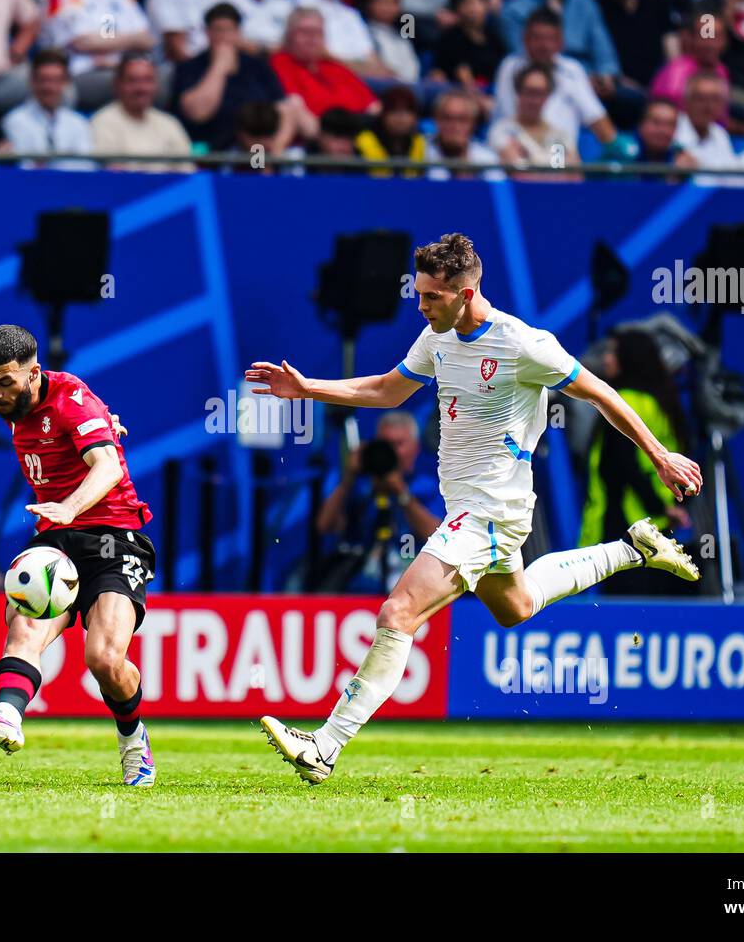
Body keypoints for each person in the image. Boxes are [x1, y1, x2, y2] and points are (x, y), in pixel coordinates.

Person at [248, 233, 702, 784]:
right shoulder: (436, 337)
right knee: (518, 607)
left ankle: (326, 744)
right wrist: (307, 389)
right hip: (468, 508)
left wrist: (659, 456)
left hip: (492, 511)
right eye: (418, 295)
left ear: (466, 293)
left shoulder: (524, 344)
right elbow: (389, 391)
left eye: (432, 297)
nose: (421, 306)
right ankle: (631, 549)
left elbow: (601, 393)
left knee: (397, 614)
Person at [0, 324, 158, 787]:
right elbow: (89, 428)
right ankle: (6, 716)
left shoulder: (70, 398)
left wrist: (69, 505)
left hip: (113, 539)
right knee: (23, 627)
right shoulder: (19, 405)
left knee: (104, 660)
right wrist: (107, 421)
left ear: (34, 374)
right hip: (56, 540)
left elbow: (106, 466)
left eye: (5, 382)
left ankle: (133, 741)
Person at [578, 329, 692, 596]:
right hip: (660, 525)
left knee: (623, 611)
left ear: (629, 358)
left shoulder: (625, 402)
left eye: (612, 352)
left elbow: (621, 467)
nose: (605, 359)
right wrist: (670, 507)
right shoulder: (661, 402)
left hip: (627, 525)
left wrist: (656, 504)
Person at [315, 412, 443, 593]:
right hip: (358, 587)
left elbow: (436, 534)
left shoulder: (428, 485)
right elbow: (325, 526)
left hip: (413, 585)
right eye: (385, 444)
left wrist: (401, 492)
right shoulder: (359, 484)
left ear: (415, 448)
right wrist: (349, 478)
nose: (392, 452)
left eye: (398, 444)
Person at [172, 1, 290, 150]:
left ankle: (269, 165)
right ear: (207, 33)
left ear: (238, 32)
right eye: (218, 30)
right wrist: (219, 67)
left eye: (229, 30)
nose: (223, 36)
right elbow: (198, 113)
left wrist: (271, 144)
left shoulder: (256, 66)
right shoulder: (190, 67)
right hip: (209, 149)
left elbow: (282, 107)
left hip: (255, 146)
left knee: (290, 108)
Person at [491, 7, 617, 147]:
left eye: (550, 38)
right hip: (518, 145)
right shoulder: (510, 67)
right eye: (537, 38)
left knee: (560, 161)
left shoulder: (572, 71)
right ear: (525, 38)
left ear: (561, 41)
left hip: (557, 147)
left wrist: (617, 153)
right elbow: (505, 115)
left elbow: (596, 117)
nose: (544, 45)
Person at [42, 0, 154, 111]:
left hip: (122, 69)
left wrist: (106, 48)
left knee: (149, 82)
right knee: (133, 85)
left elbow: (147, 39)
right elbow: (81, 42)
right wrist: (131, 40)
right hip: (83, 73)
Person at [90, 52, 194, 171]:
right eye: (132, 80)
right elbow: (113, 174)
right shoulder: (103, 121)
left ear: (156, 85)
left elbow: (187, 171)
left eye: (147, 80)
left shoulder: (170, 123)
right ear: (117, 84)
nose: (141, 88)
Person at [269, 7, 378, 117]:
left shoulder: (334, 66)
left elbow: (373, 105)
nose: (312, 38)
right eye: (304, 32)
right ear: (289, 36)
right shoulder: (281, 62)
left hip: (359, 127)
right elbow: (297, 105)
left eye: (318, 32)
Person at [0, 49, 93, 165]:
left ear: (66, 82)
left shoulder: (79, 123)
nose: (50, 87)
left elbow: (86, 167)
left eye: (56, 80)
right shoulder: (14, 121)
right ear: (32, 81)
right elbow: (23, 167)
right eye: (44, 80)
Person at [488, 61, 579, 171]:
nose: (534, 100)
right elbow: (521, 174)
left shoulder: (557, 138)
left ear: (547, 96)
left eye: (540, 93)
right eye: (530, 92)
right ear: (518, 92)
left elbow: (567, 175)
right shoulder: (504, 131)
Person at [432, 0, 506, 112]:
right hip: (463, 96)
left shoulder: (495, 37)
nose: (473, 7)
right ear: (457, 8)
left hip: (493, 93)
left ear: (487, 4)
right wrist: (482, 100)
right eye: (466, 2)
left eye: (478, 0)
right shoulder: (451, 38)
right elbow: (463, 76)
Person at [424, 88, 500, 179]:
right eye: (447, 118)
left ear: (473, 123)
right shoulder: (422, 154)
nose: (454, 126)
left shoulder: (488, 160)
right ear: (436, 120)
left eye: (462, 119)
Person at [354, 83, 427, 175]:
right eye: (394, 111)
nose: (400, 118)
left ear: (415, 117)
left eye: (407, 111)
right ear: (383, 115)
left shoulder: (421, 143)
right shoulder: (364, 141)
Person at [674, 69, 737, 170]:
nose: (708, 107)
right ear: (686, 101)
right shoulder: (671, 129)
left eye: (715, 100)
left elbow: (731, 179)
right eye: (701, 99)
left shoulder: (720, 134)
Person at [361, 0, 420, 83]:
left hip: (406, 86)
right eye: (384, 1)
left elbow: (413, 69)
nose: (390, 7)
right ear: (369, 2)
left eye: (395, 1)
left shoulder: (402, 37)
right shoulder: (363, 33)